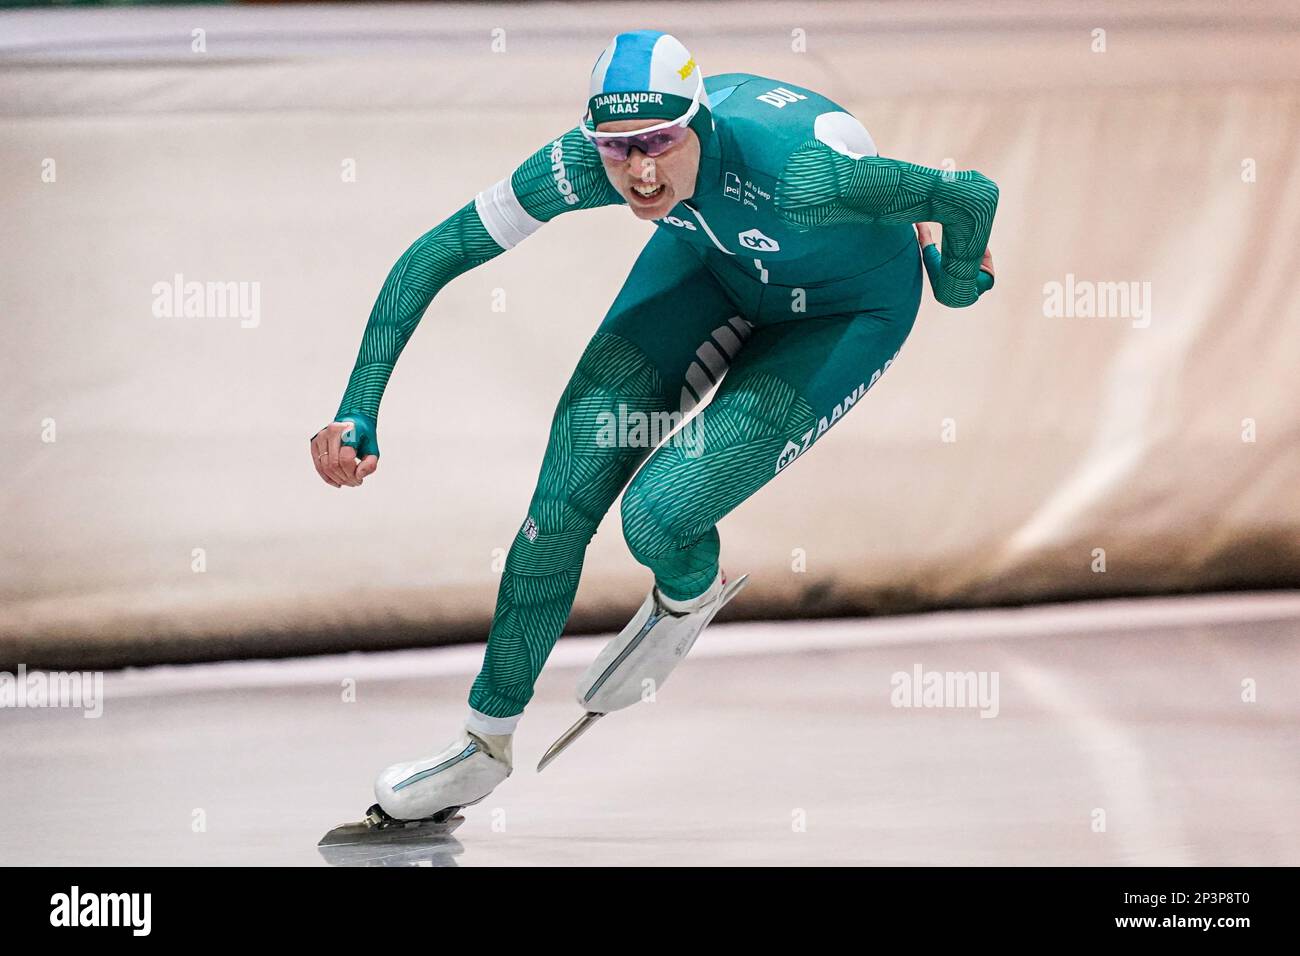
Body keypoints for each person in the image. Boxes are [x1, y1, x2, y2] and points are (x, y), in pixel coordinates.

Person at [309, 31, 998, 825]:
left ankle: (687, 593)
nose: (639, 172)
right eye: (618, 148)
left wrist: (950, 276)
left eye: (662, 142)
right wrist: (358, 403)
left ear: (698, 121)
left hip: (847, 307)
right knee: (557, 507)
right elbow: (438, 252)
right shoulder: (584, 164)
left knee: (657, 516)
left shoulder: (801, 174)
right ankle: (481, 744)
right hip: (712, 267)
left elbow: (969, 194)